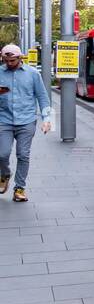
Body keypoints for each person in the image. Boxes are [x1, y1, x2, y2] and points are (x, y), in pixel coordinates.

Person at [0, 44, 52, 203]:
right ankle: (4, 174)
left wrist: (47, 119)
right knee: (2, 154)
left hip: (26, 121)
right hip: (4, 120)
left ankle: (19, 188)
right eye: (6, 60)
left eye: (12, 60)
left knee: (23, 154)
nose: (9, 63)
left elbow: (43, 97)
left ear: (20, 58)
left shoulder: (33, 74)